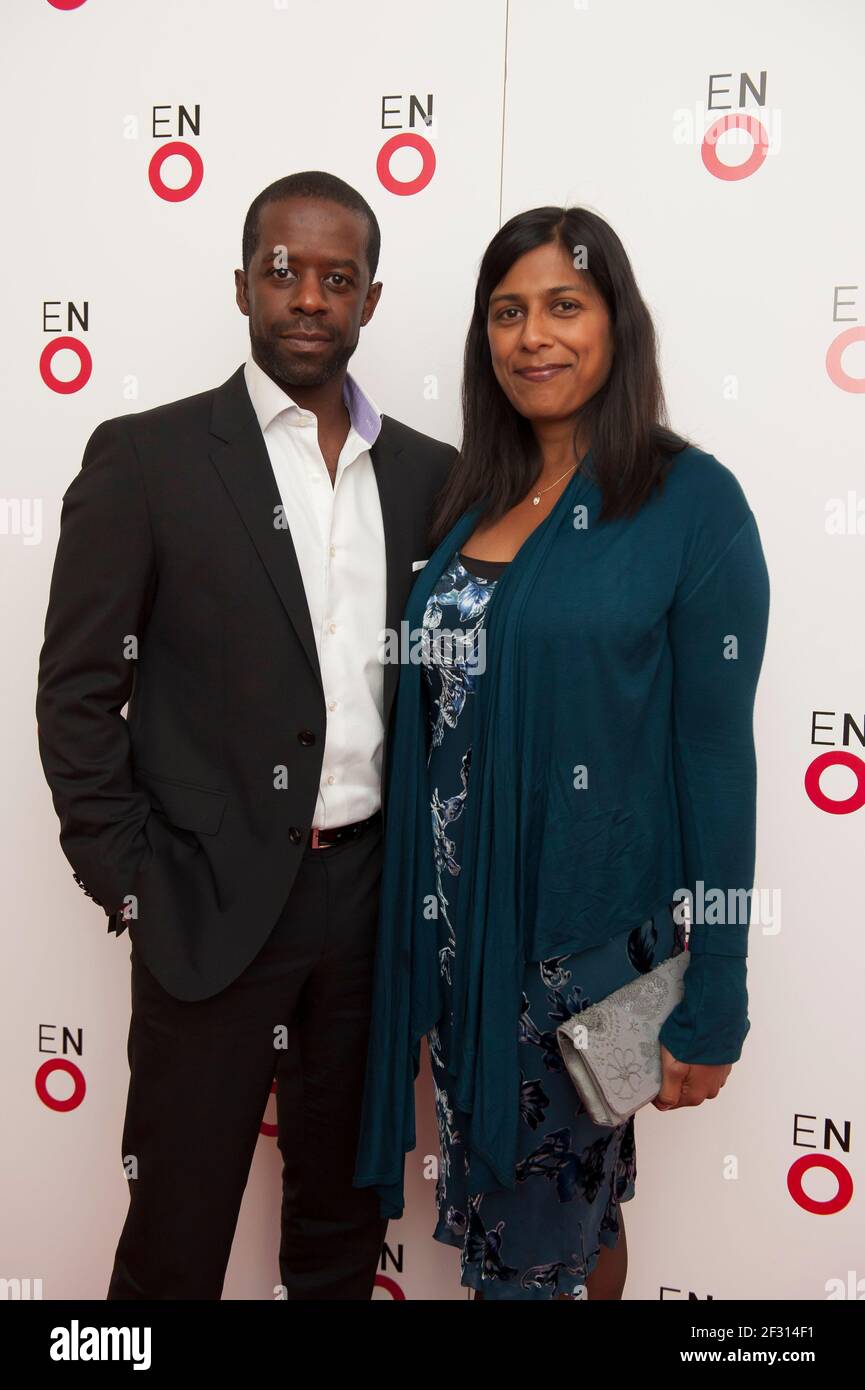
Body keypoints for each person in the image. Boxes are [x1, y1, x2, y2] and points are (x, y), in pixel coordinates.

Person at [35, 170, 456, 1299]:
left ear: (370, 298)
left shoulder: (430, 477)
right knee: (174, 1233)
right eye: (282, 271)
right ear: (240, 285)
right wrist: (134, 879)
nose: (307, 297)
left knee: (339, 1224)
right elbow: (77, 693)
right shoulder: (147, 459)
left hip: (368, 910)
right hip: (204, 901)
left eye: (336, 277)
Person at [353, 204, 771, 1301]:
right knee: (567, 1220)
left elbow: (717, 768)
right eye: (506, 311)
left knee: (542, 1239)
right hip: (456, 952)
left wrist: (716, 992)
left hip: (583, 963)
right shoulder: (475, 498)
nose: (531, 334)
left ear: (616, 325)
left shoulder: (691, 503)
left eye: (563, 305)